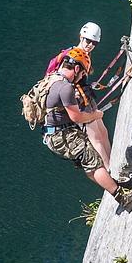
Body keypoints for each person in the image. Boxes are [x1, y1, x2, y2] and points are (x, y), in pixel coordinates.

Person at [43, 50, 132, 209]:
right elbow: (77, 117)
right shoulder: (65, 87)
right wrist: (95, 115)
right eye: (82, 73)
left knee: (89, 162)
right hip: (61, 135)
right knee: (93, 163)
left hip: (56, 133)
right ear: (76, 69)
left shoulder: (52, 78)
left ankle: (116, 184)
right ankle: (123, 197)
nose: (82, 77)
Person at [45, 21, 112, 169]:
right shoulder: (70, 56)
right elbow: (59, 78)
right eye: (88, 41)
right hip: (77, 102)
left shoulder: (84, 56)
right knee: (96, 138)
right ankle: (111, 171)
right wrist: (70, 92)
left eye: (94, 43)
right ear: (81, 37)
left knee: (103, 132)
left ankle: (114, 165)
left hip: (85, 98)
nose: (90, 45)